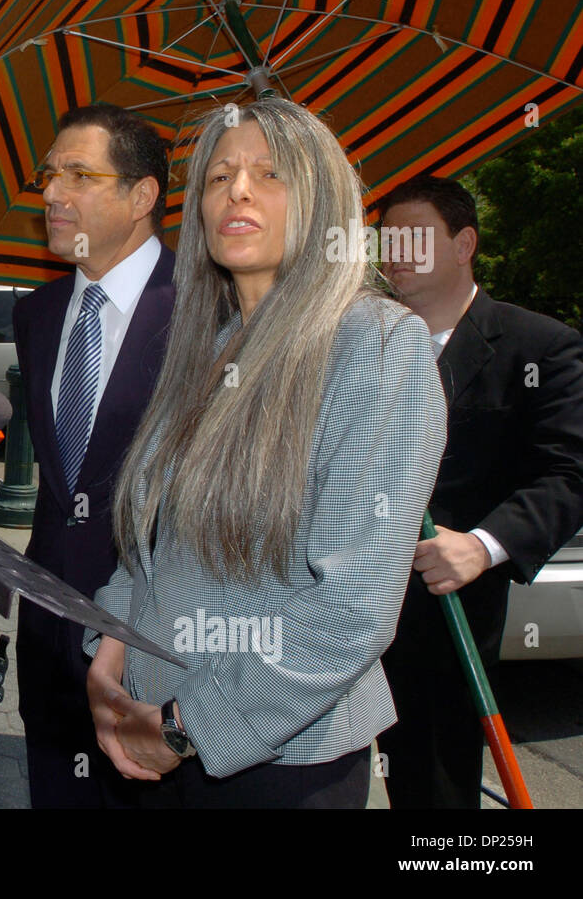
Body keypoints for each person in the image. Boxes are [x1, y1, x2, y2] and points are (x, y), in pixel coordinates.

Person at [84, 98, 447, 808]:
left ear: (322, 198)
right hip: (152, 733)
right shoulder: (207, 348)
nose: (237, 190)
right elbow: (155, 542)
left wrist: (190, 729)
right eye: (218, 177)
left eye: (269, 172)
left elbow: (352, 609)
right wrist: (110, 647)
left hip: (282, 763)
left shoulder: (376, 343)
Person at [375, 176, 583, 809]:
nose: (395, 251)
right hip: (336, 606)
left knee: (434, 787)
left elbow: (570, 473)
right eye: (386, 238)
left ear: (464, 243)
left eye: (413, 237)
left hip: (449, 615)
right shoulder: (356, 342)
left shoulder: (539, 346)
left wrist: (484, 546)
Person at [10, 103, 176, 808]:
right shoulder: (37, 314)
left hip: (157, 651)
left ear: (142, 196)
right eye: (50, 174)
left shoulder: (210, 312)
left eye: (80, 174)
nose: (52, 193)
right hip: (48, 642)